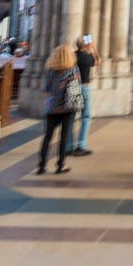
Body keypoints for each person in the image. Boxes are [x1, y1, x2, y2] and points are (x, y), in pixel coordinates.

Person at [37, 44, 83, 175]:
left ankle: (41, 166)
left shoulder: (51, 70)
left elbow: (47, 88)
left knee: (47, 136)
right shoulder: (73, 70)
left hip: (52, 107)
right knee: (64, 137)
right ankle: (60, 165)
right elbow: (76, 87)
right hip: (67, 107)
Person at [68, 35, 100, 156]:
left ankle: (69, 147)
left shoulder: (72, 56)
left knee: (70, 118)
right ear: (86, 45)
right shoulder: (88, 57)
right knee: (85, 117)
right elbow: (98, 62)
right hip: (84, 88)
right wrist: (93, 50)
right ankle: (81, 146)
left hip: (73, 87)